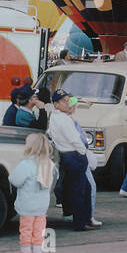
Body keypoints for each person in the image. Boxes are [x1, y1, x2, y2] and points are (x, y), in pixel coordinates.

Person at [48, 89, 95, 232]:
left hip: (65, 155)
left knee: (76, 188)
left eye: (68, 100)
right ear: (56, 104)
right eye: (63, 101)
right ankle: (81, 222)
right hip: (74, 155)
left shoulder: (54, 117)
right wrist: (82, 152)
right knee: (81, 189)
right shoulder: (64, 119)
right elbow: (75, 140)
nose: (67, 103)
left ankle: (79, 219)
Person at [10, 133, 56, 253]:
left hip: (27, 205)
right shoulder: (49, 165)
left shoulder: (26, 164)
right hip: (42, 205)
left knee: (26, 230)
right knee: (39, 231)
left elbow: (14, 180)